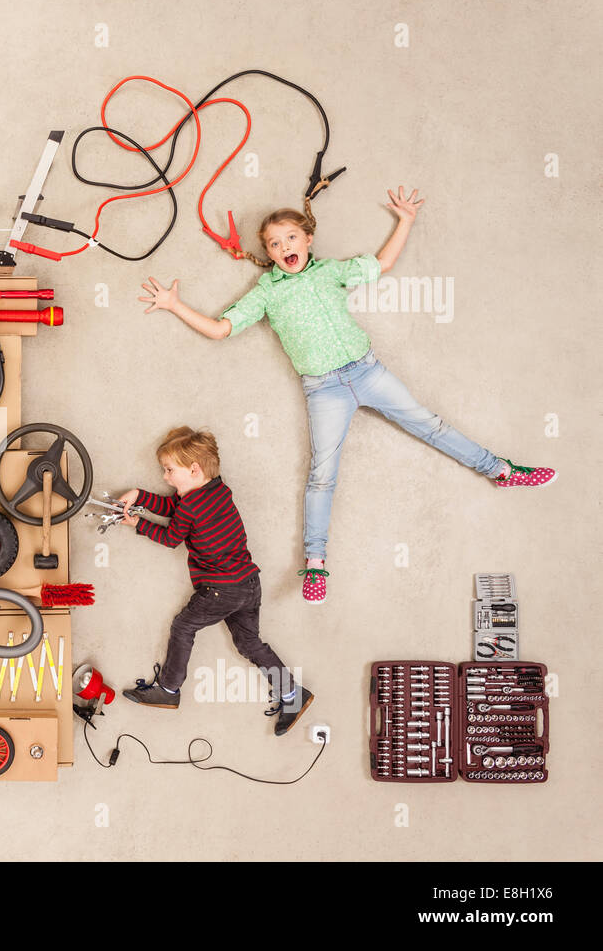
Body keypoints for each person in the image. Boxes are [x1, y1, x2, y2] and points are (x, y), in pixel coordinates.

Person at [139, 187, 555, 603]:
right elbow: (220, 329)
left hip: (368, 371)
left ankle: (501, 471)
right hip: (324, 390)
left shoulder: (330, 272)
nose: (284, 246)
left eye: (290, 238)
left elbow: (383, 263)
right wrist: (175, 304)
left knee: (431, 424)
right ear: (268, 252)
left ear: (308, 240)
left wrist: (406, 219)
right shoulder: (268, 290)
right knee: (322, 473)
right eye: (274, 243)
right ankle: (315, 565)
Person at [117, 426, 313, 736]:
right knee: (249, 643)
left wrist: (137, 522)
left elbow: (171, 537)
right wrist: (140, 496)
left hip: (221, 589)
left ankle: (168, 690)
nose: (166, 477)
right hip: (249, 583)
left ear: (193, 470)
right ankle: (292, 694)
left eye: (169, 470)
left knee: (183, 626)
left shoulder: (191, 506)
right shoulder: (218, 490)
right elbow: (176, 510)